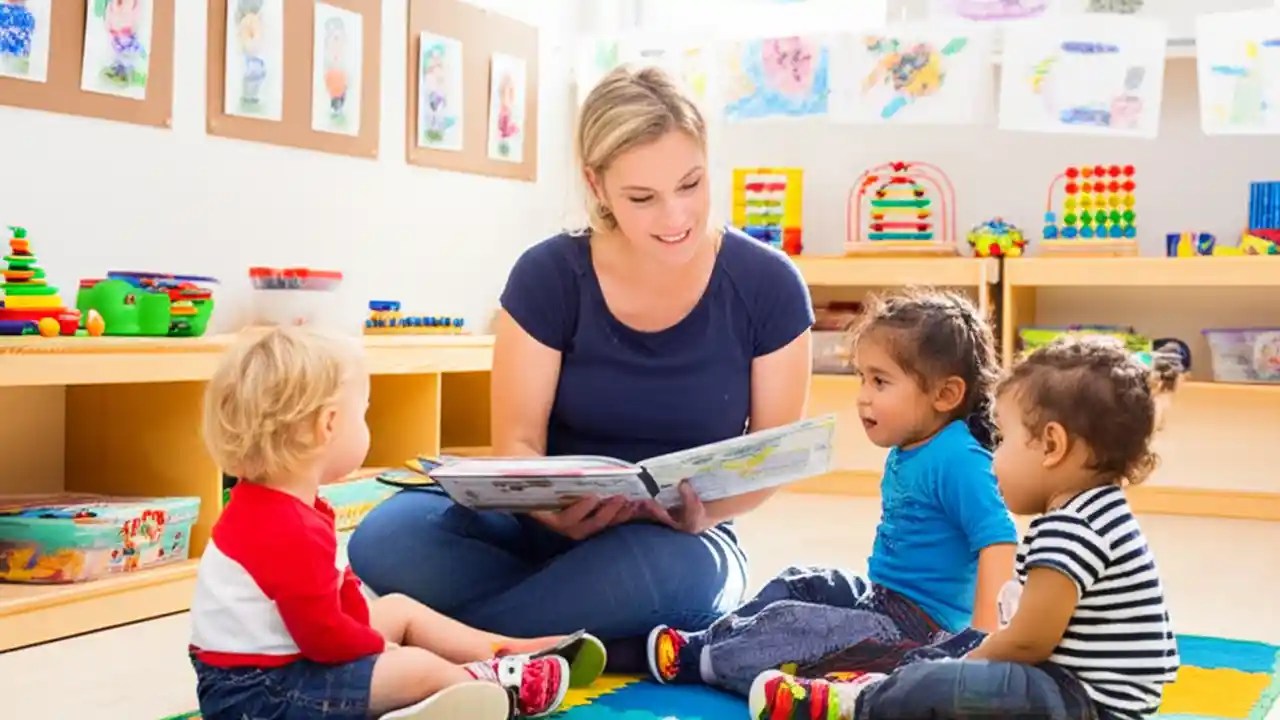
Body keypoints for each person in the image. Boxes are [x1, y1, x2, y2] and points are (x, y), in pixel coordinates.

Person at [347, 65, 814, 671]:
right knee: (385, 538)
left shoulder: (768, 285)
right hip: (538, 530)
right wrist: (549, 512)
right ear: (597, 185)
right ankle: (591, 642)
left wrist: (709, 512)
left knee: (678, 581)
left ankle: (446, 637)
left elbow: (769, 458)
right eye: (642, 198)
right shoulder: (549, 275)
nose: (674, 217)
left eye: (691, 184)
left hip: (675, 541)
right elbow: (516, 441)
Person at [750, 336, 1182, 720]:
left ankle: (851, 705)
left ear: (1051, 445)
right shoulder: (1102, 513)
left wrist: (965, 660)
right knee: (952, 661)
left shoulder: (1072, 529)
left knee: (950, 680)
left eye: (1003, 440)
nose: (994, 460)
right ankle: (886, 689)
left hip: (1084, 703)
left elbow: (1029, 643)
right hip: (1080, 692)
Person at [189, 327, 606, 720]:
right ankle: (491, 688)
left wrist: (369, 635)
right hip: (259, 695)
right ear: (328, 425)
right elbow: (321, 636)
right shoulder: (285, 528)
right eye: (364, 415)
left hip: (276, 667)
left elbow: (335, 597)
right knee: (413, 667)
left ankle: (503, 650)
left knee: (398, 609)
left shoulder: (280, 505)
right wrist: (378, 649)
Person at [646, 289, 1017, 696]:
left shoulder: (958, 458)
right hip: (883, 601)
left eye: (880, 381)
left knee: (800, 626)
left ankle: (710, 663)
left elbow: (998, 540)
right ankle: (714, 641)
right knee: (800, 582)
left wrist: (981, 642)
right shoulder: (915, 444)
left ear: (945, 395)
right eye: (862, 378)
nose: (863, 396)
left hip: (923, 631)